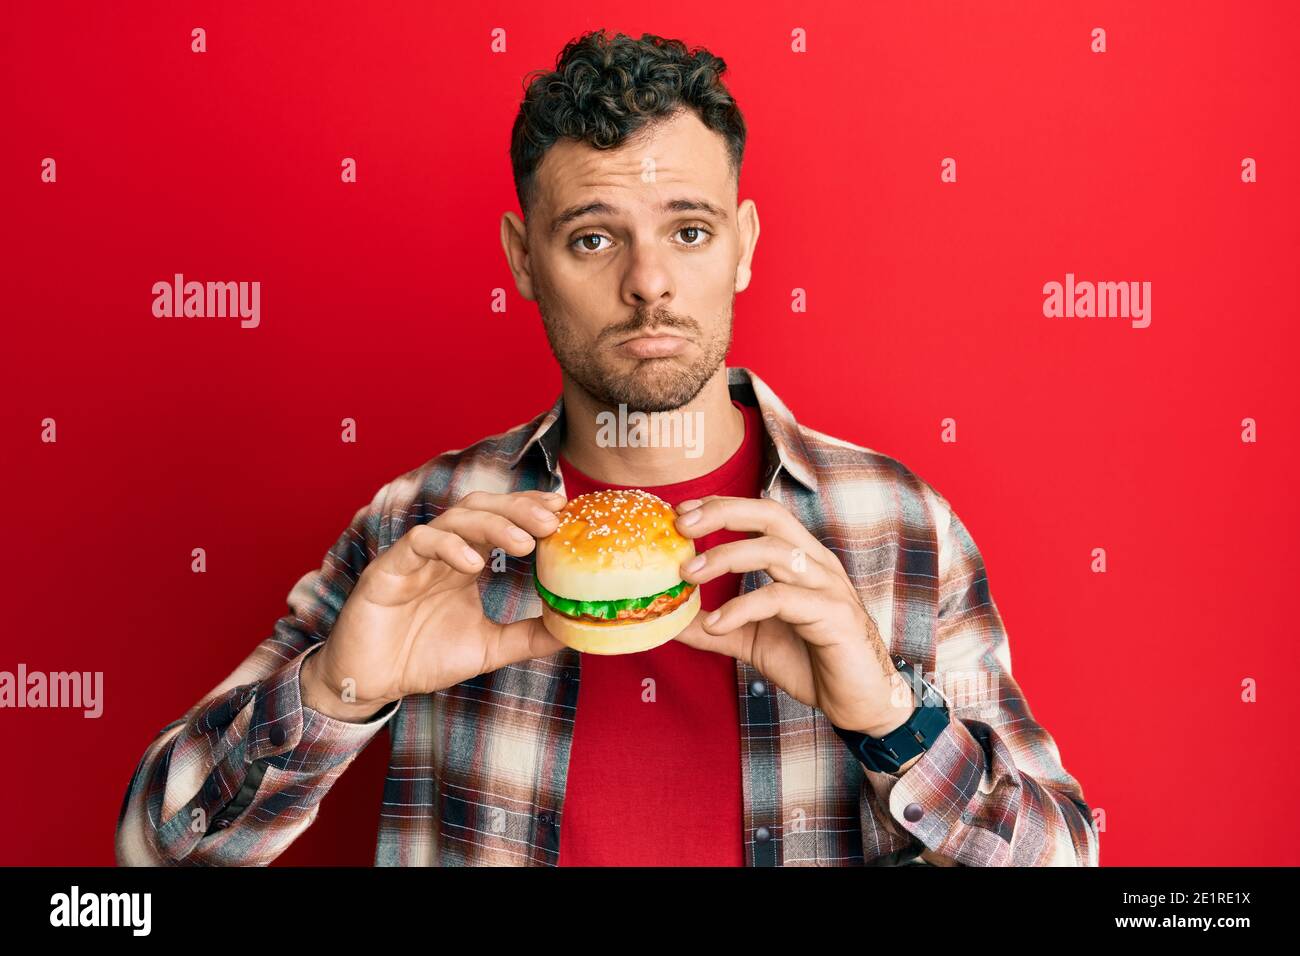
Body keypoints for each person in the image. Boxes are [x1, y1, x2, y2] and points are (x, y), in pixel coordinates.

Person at [115, 28, 1097, 867]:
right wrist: (335, 690)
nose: (649, 284)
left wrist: (891, 717)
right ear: (521, 258)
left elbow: (1065, 855)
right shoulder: (421, 524)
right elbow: (154, 845)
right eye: (592, 237)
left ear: (745, 244)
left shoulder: (896, 527)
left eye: (689, 230)